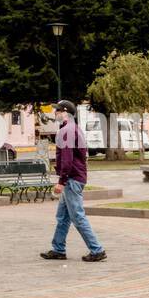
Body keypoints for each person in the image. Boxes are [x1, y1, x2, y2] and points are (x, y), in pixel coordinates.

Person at [40, 100, 107, 262]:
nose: (54, 113)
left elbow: (67, 160)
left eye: (56, 111)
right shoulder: (73, 128)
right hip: (75, 177)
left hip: (71, 179)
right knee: (63, 216)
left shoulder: (67, 131)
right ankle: (58, 249)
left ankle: (97, 250)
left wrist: (61, 181)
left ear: (64, 112)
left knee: (77, 216)